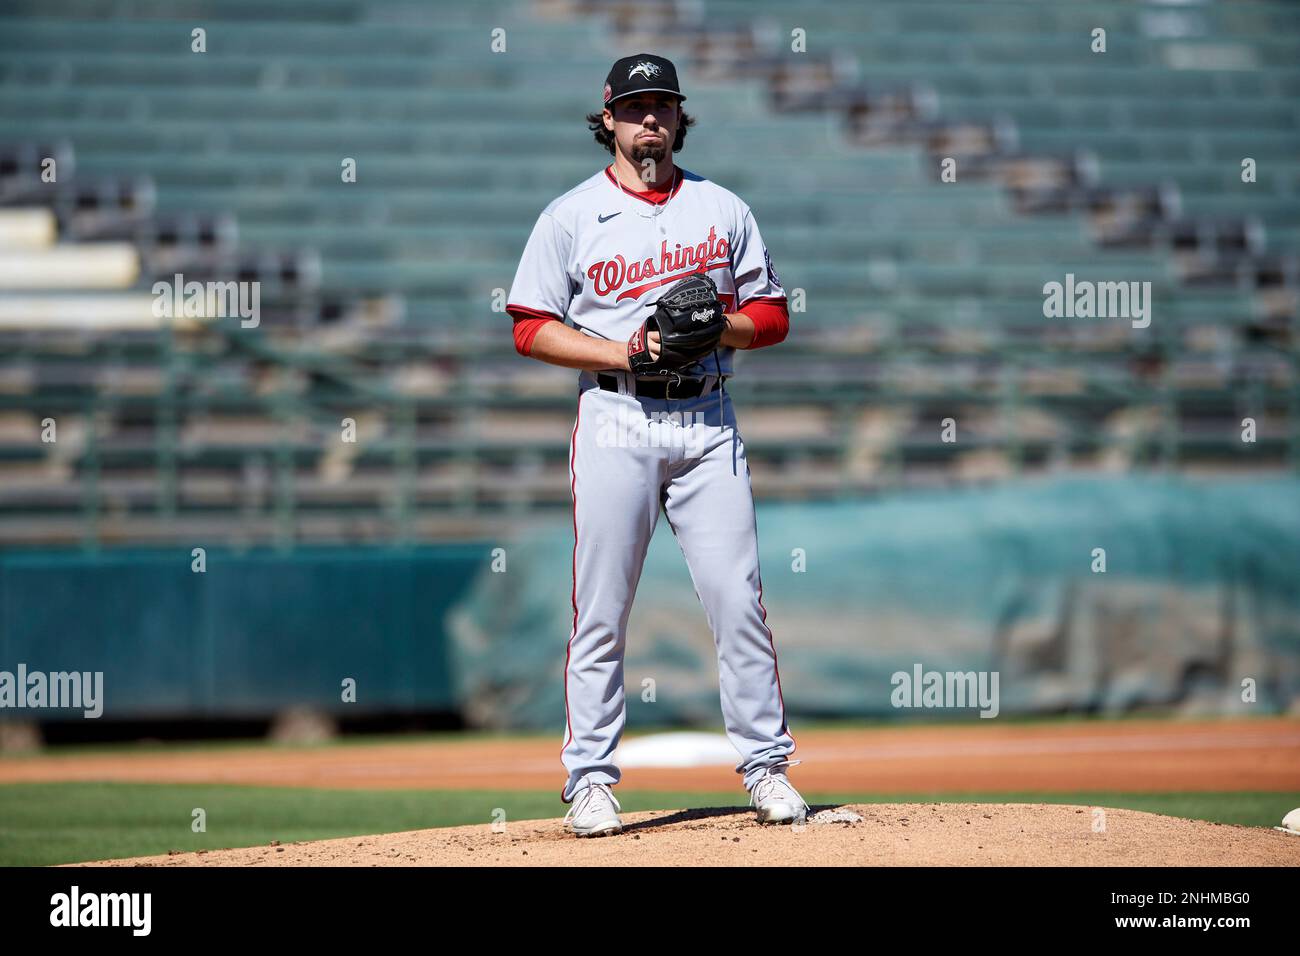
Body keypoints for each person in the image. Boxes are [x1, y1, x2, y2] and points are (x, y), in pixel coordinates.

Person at [506, 53, 807, 837]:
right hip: (616, 417)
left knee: (739, 598)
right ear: (606, 119)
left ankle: (767, 767)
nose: (649, 120)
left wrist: (721, 326)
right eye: (634, 107)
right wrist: (624, 353)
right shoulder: (568, 216)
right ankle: (591, 781)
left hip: (708, 417)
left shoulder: (722, 207)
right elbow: (530, 328)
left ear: (679, 115)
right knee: (601, 611)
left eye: (662, 106)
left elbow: (772, 317)